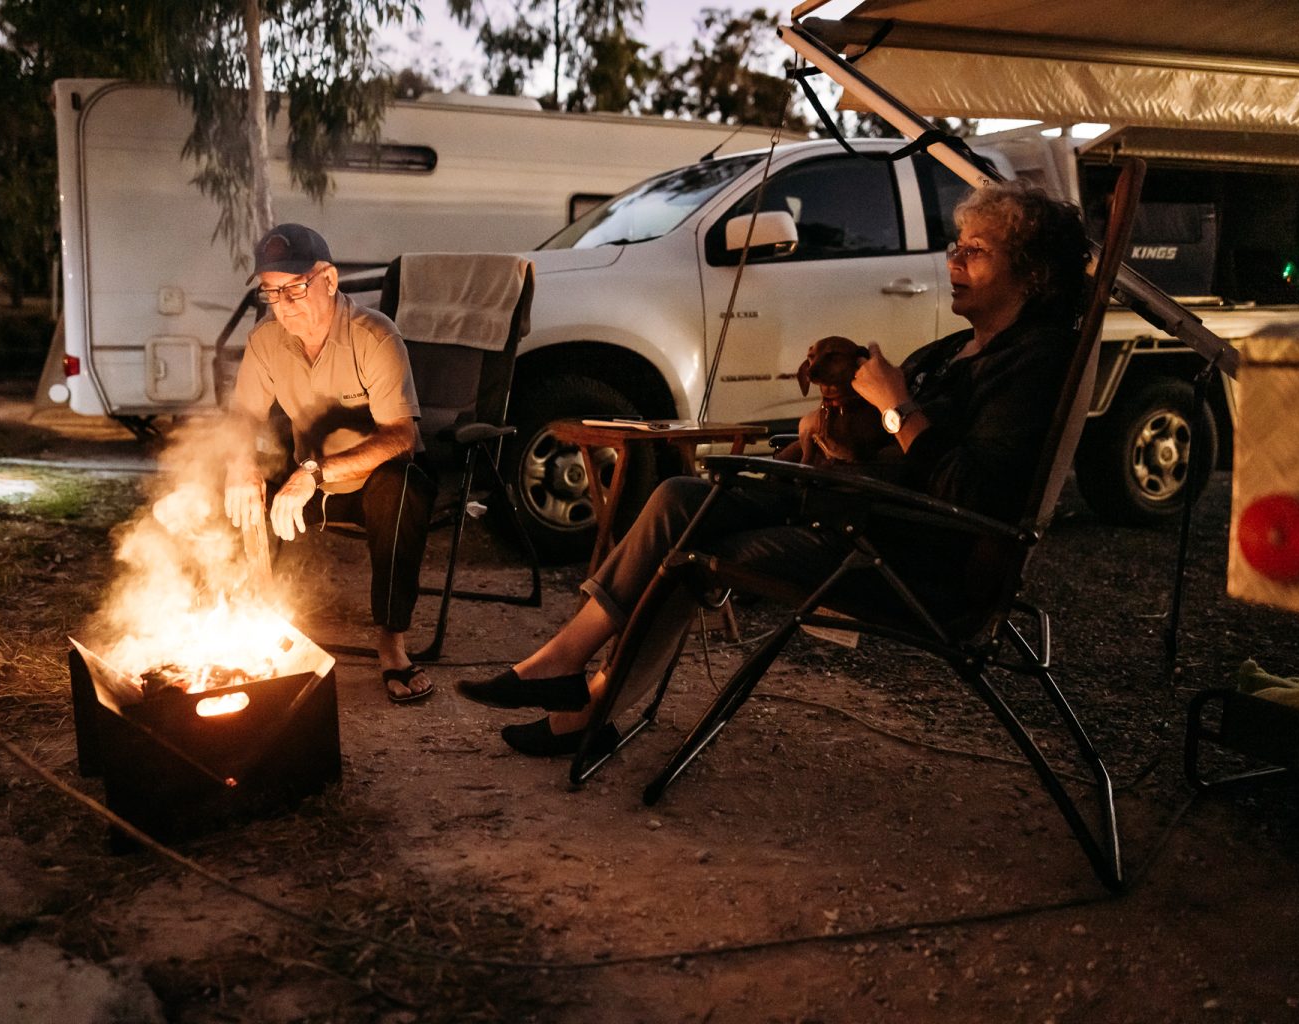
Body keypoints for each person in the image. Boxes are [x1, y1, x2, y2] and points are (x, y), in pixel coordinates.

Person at [457, 179, 1091, 753]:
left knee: (687, 532)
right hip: (851, 514)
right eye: (956, 245)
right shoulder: (956, 349)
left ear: (1032, 276)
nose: (953, 260)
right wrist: (828, 434)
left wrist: (896, 408)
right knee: (684, 502)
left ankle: (577, 699)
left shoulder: (1031, 366)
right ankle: (571, 684)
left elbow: (974, 492)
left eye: (975, 251)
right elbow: (880, 447)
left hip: (900, 556)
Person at [225, 223, 437, 703]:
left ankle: (391, 644)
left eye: (296, 287)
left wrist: (314, 473)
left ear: (329, 280)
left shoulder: (374, 336)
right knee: (235, 487)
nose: (284, 303)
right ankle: (251, 621)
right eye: (271, 292)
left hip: (377, 480)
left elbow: (402, 436)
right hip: (312, 483)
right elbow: (242, 417)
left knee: (398, 487)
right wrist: (240, 466)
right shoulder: (266, 342)